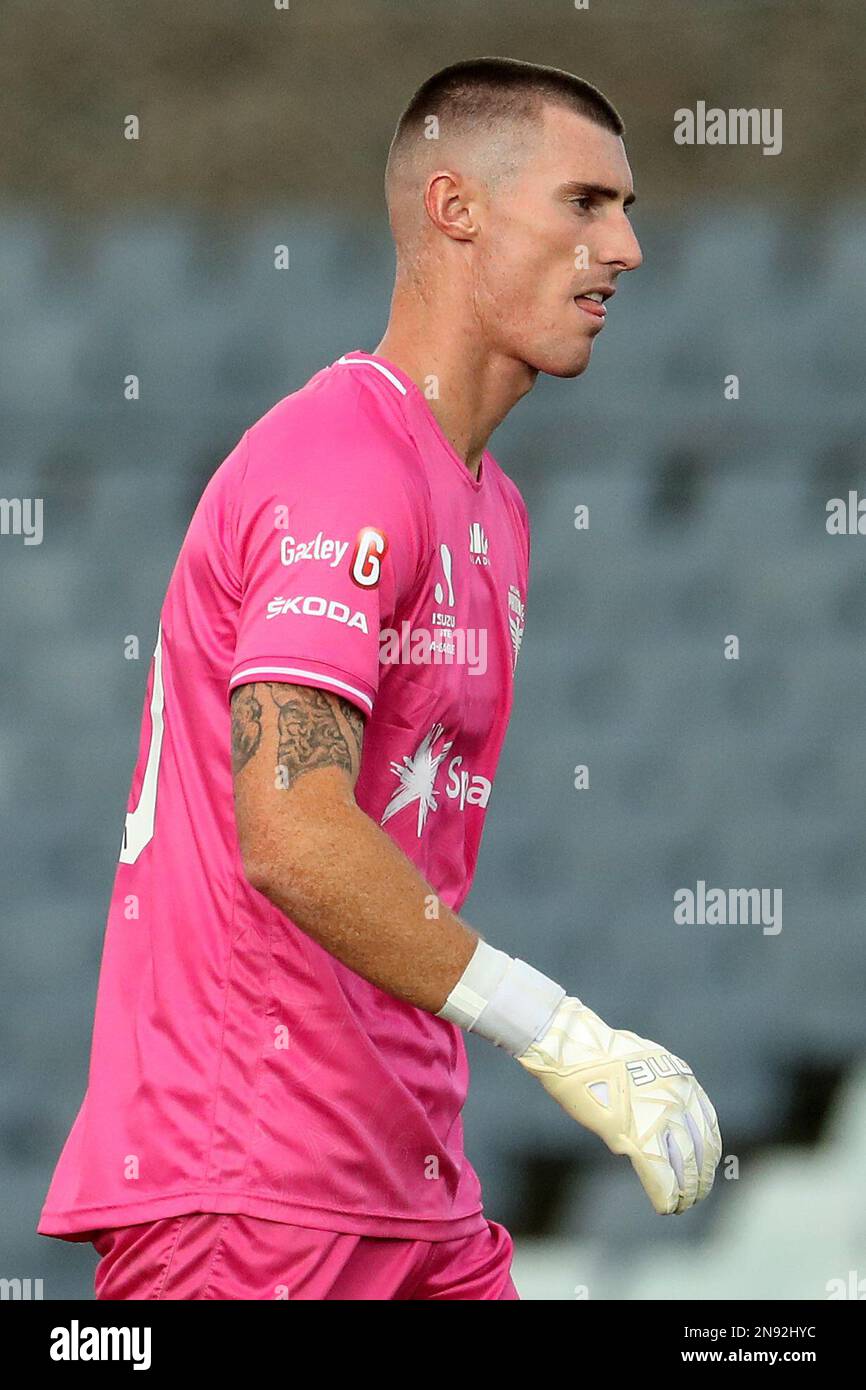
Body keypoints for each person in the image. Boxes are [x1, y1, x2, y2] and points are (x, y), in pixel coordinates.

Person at [37, 56, 721, 1302]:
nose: (623, 246)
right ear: (455, 209)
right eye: (584, 203)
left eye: (626, 209)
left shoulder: (494, 510)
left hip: (408, 1182)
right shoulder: (338, 462)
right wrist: (563, 1034)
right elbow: (292, 835)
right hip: (246, 1188)